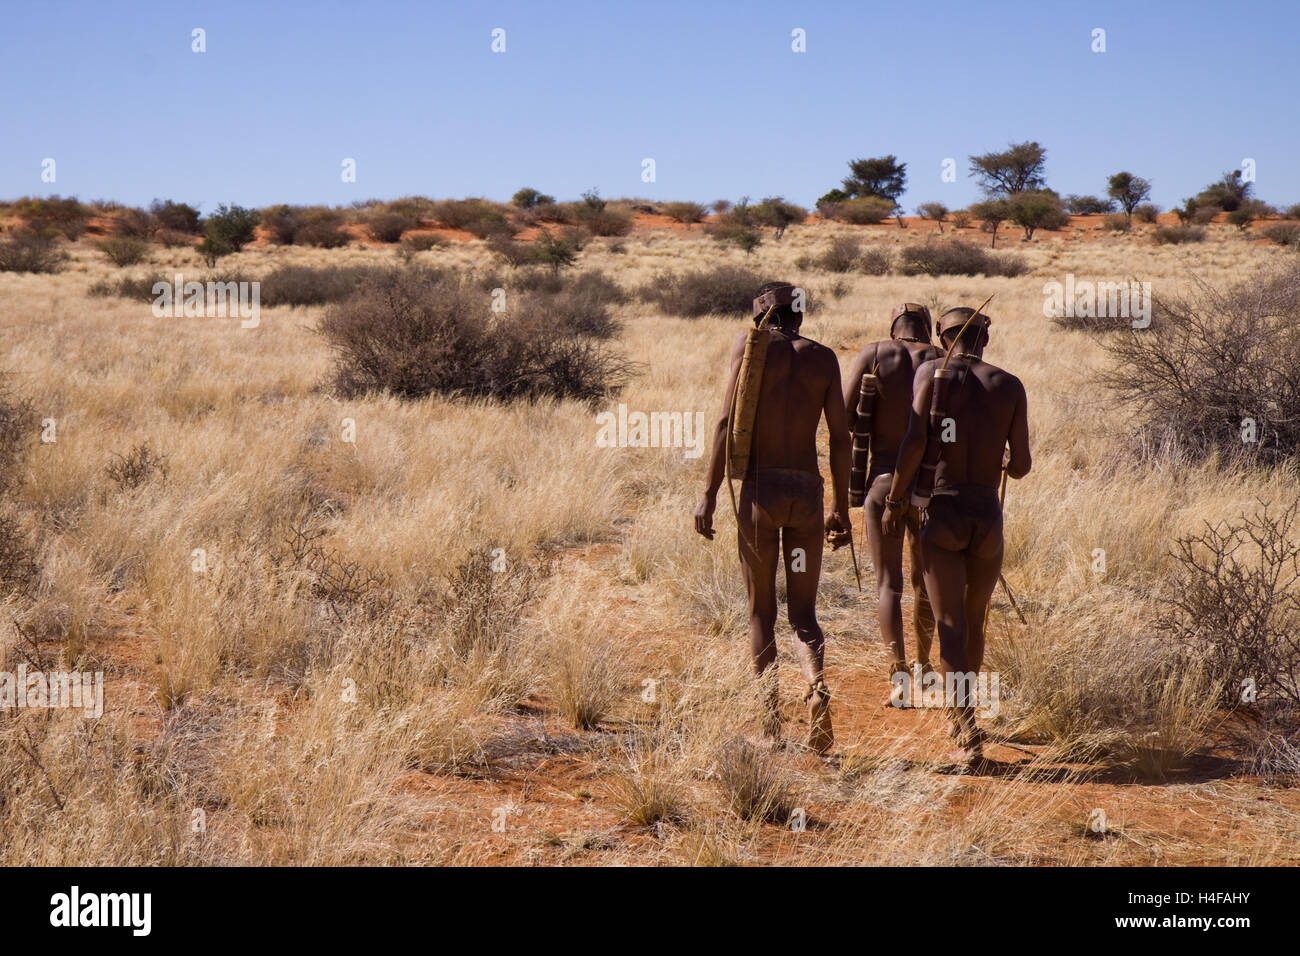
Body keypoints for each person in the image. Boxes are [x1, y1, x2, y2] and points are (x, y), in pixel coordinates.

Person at [695, 282, 852, 753]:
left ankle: (770, 725)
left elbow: (726, 423)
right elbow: (841, 438)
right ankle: (815, 686)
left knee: (762, 609)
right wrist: (840, 506)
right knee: (804, 611)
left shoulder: (751, 347)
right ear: (800, 316)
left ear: (762, 315)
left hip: (760, 495)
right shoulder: (824, 358)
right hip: (806, 494)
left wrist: (709, 494)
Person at [883, 307, 1031, 765]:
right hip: (987, 516)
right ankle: (962, 713)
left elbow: (913, 444)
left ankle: (965, 726)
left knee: (951, 625)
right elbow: (1022, 466)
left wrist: (895, 499)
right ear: (984, 339)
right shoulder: (1009, 385)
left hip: (942, 513)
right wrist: (997, 457)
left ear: (944, 340)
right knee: (974, 619)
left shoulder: (932, 373)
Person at [843, 303, 940, 699]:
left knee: (889, 585)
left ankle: (898, 677)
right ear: (928, 329)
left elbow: (845, 415)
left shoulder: (875, 353)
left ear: (894, 327)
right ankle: (926, 664)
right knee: (926, 583)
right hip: (928, 489)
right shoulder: (937, 358)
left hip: (882, 482)